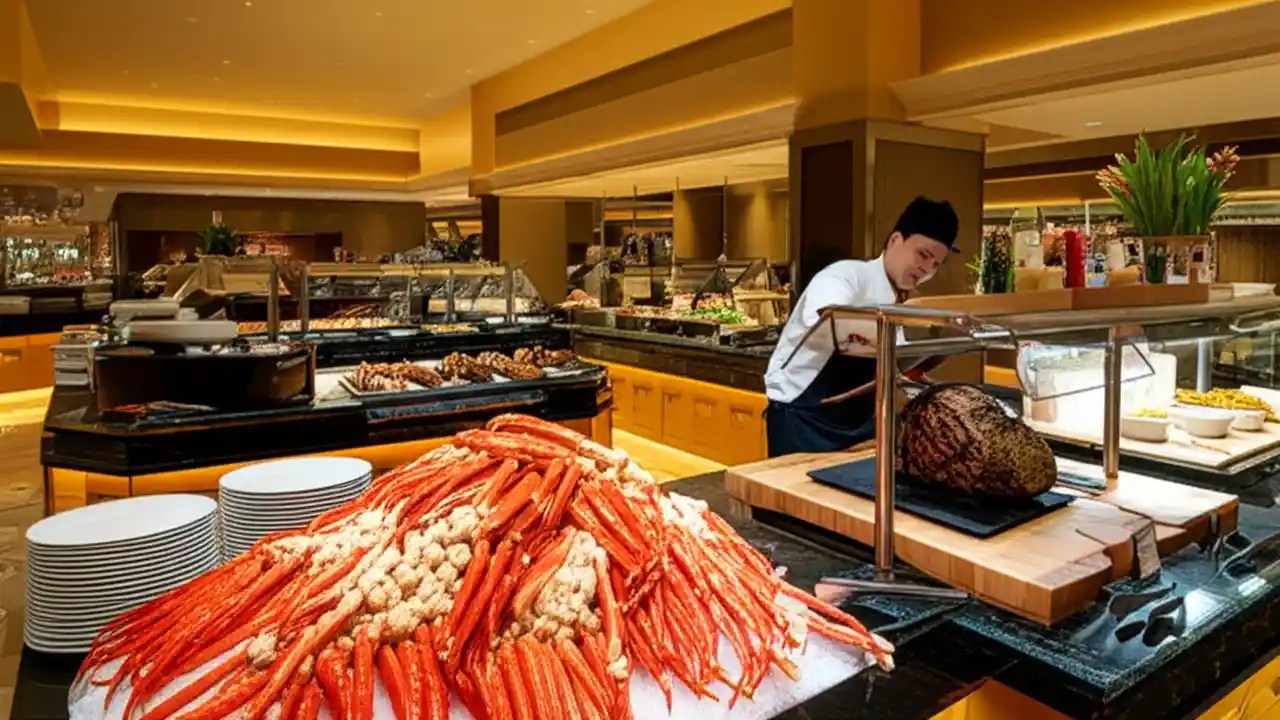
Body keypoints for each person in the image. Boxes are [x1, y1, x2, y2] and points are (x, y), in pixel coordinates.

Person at [763, 196, 960, 457]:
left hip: (856, 423)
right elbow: (828, 322)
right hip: (803, 419)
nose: (926, 269)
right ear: (895, 240)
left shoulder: (897, 301)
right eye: (923, 255)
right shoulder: (844, 276)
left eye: (935, 265)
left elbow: (890, 364)